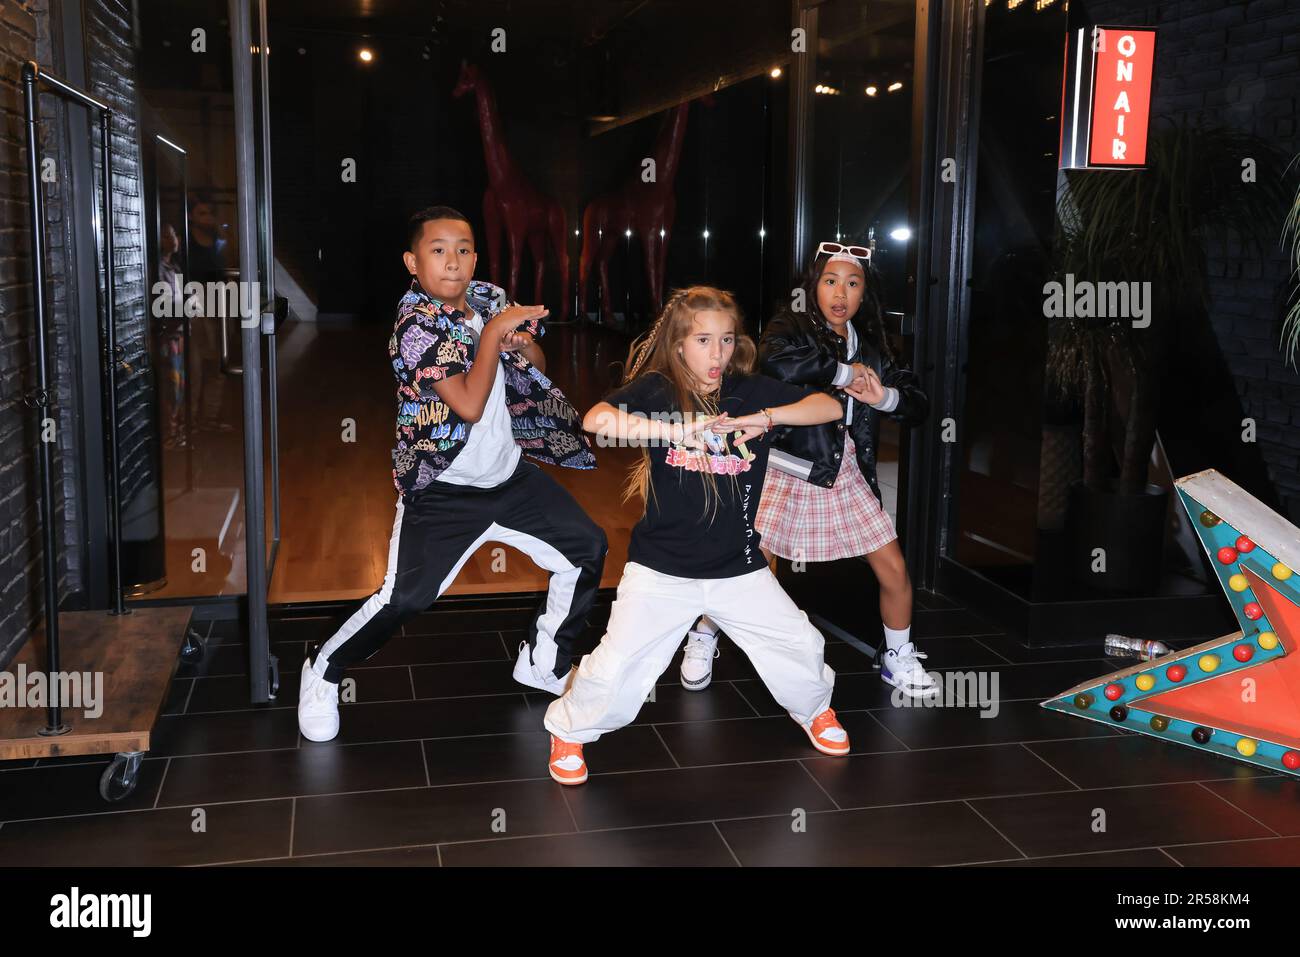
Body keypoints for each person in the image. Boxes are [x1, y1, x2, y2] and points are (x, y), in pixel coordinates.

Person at [297, 205, 608, 742]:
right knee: (406, 599)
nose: (453, 261)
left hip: (509, 478)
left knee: (587, 548)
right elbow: (465, 403)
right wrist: (493, 336)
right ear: (412, 262)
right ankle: (323, 669)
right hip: (443, 490)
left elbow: (536, 361)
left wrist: (519, 342)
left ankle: (543, 661)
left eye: (463, 249)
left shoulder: (488, 297)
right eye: (438, 250)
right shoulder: (413, 325)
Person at [543, 286, 849, 785]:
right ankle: (569, 730)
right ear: (680, 343)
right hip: (661, 568)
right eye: (704, 341)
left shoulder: (749, 390)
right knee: (619, 664)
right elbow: (596, 421)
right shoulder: (658, 390)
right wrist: (674, 431)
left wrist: (765, 418)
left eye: (727, 341)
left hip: (739, 567)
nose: (717, 354)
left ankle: (814, 709)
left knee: (798, 642)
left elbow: (829, 407)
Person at [678, 242, 935, 698]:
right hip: (789, 466)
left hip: (847, 471)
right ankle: (703, 635)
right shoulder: (791, 325)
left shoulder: (873, 346)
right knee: (750, 563)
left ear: (864, 293)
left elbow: (916, 405)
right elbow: (775, 359)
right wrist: (843, 374)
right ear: (813, 286)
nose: (841, 293)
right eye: (830, 281)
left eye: (853, 283)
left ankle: (898, 656)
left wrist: (883, 398)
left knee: (892, 566)